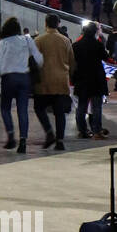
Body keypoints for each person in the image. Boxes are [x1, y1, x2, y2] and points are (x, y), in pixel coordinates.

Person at [0, 16, 43, 153]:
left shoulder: (3, 43)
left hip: (8, 78)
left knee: (5, 108)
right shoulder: (27, 40)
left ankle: (11, 136)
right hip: (24, 78)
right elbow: (39, 59)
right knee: (22, 110)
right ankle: (23, 140)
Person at [32, 13, 75, 150]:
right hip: (61, 81)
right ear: (58, 24)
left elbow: (34, 61)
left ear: (45, 23)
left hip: (44, 82)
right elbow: (72, 62)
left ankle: (49, 132)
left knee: (39, 108)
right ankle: (60, 140)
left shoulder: (39, 40)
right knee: (59, 113)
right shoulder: (65, 40)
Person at [72, 23, 109, 139]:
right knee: (97, 106)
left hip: (81, 79)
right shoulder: (98, 45)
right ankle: (97, 131)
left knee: (81, 106)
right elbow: (105, 57)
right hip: (96, 79)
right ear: (94, 32)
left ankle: (82, 131)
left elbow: (73, 62)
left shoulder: (76, 45)